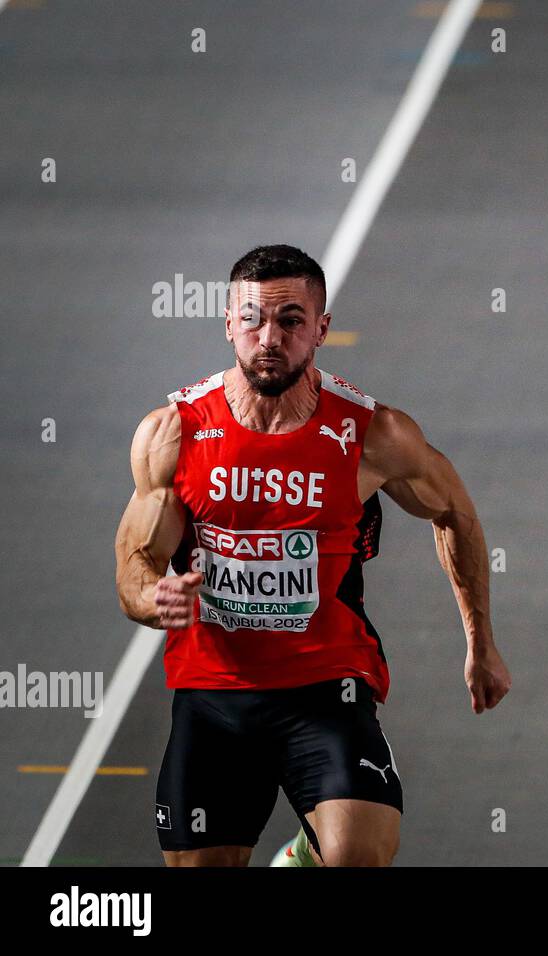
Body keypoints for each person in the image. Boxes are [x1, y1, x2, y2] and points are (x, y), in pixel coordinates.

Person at [114, 244, 510, 866]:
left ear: (321, 329)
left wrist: (480, 641)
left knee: (359, 855)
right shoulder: (175, 433)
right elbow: (133, 564)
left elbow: (454, 513)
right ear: (228, 324)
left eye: (291, 321)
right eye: (252, 319)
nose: (269, 337)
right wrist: (149, 595)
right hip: (214, 693)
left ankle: (308, 853)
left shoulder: (372, 434)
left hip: (327, 687)